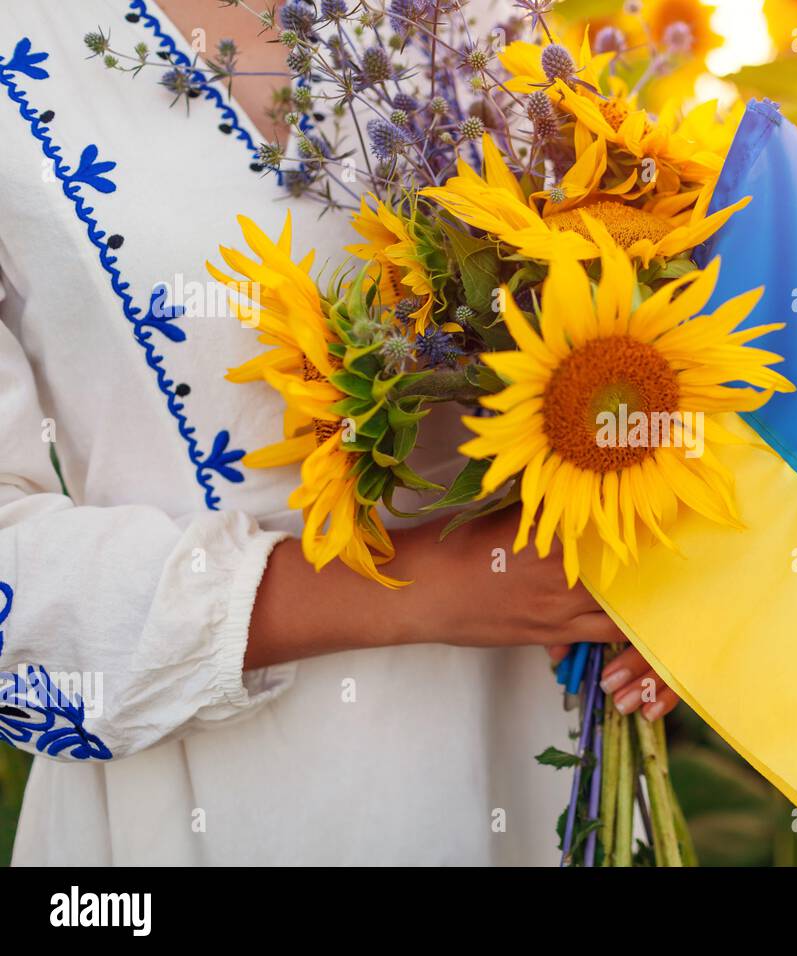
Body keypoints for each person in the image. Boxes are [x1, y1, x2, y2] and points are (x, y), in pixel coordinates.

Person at [0, 0, 675, 865]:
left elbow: (617, 299)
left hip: (543, 739)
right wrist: (422, 586)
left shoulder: (475, 18)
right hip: (206, 793)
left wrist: (649, 579)